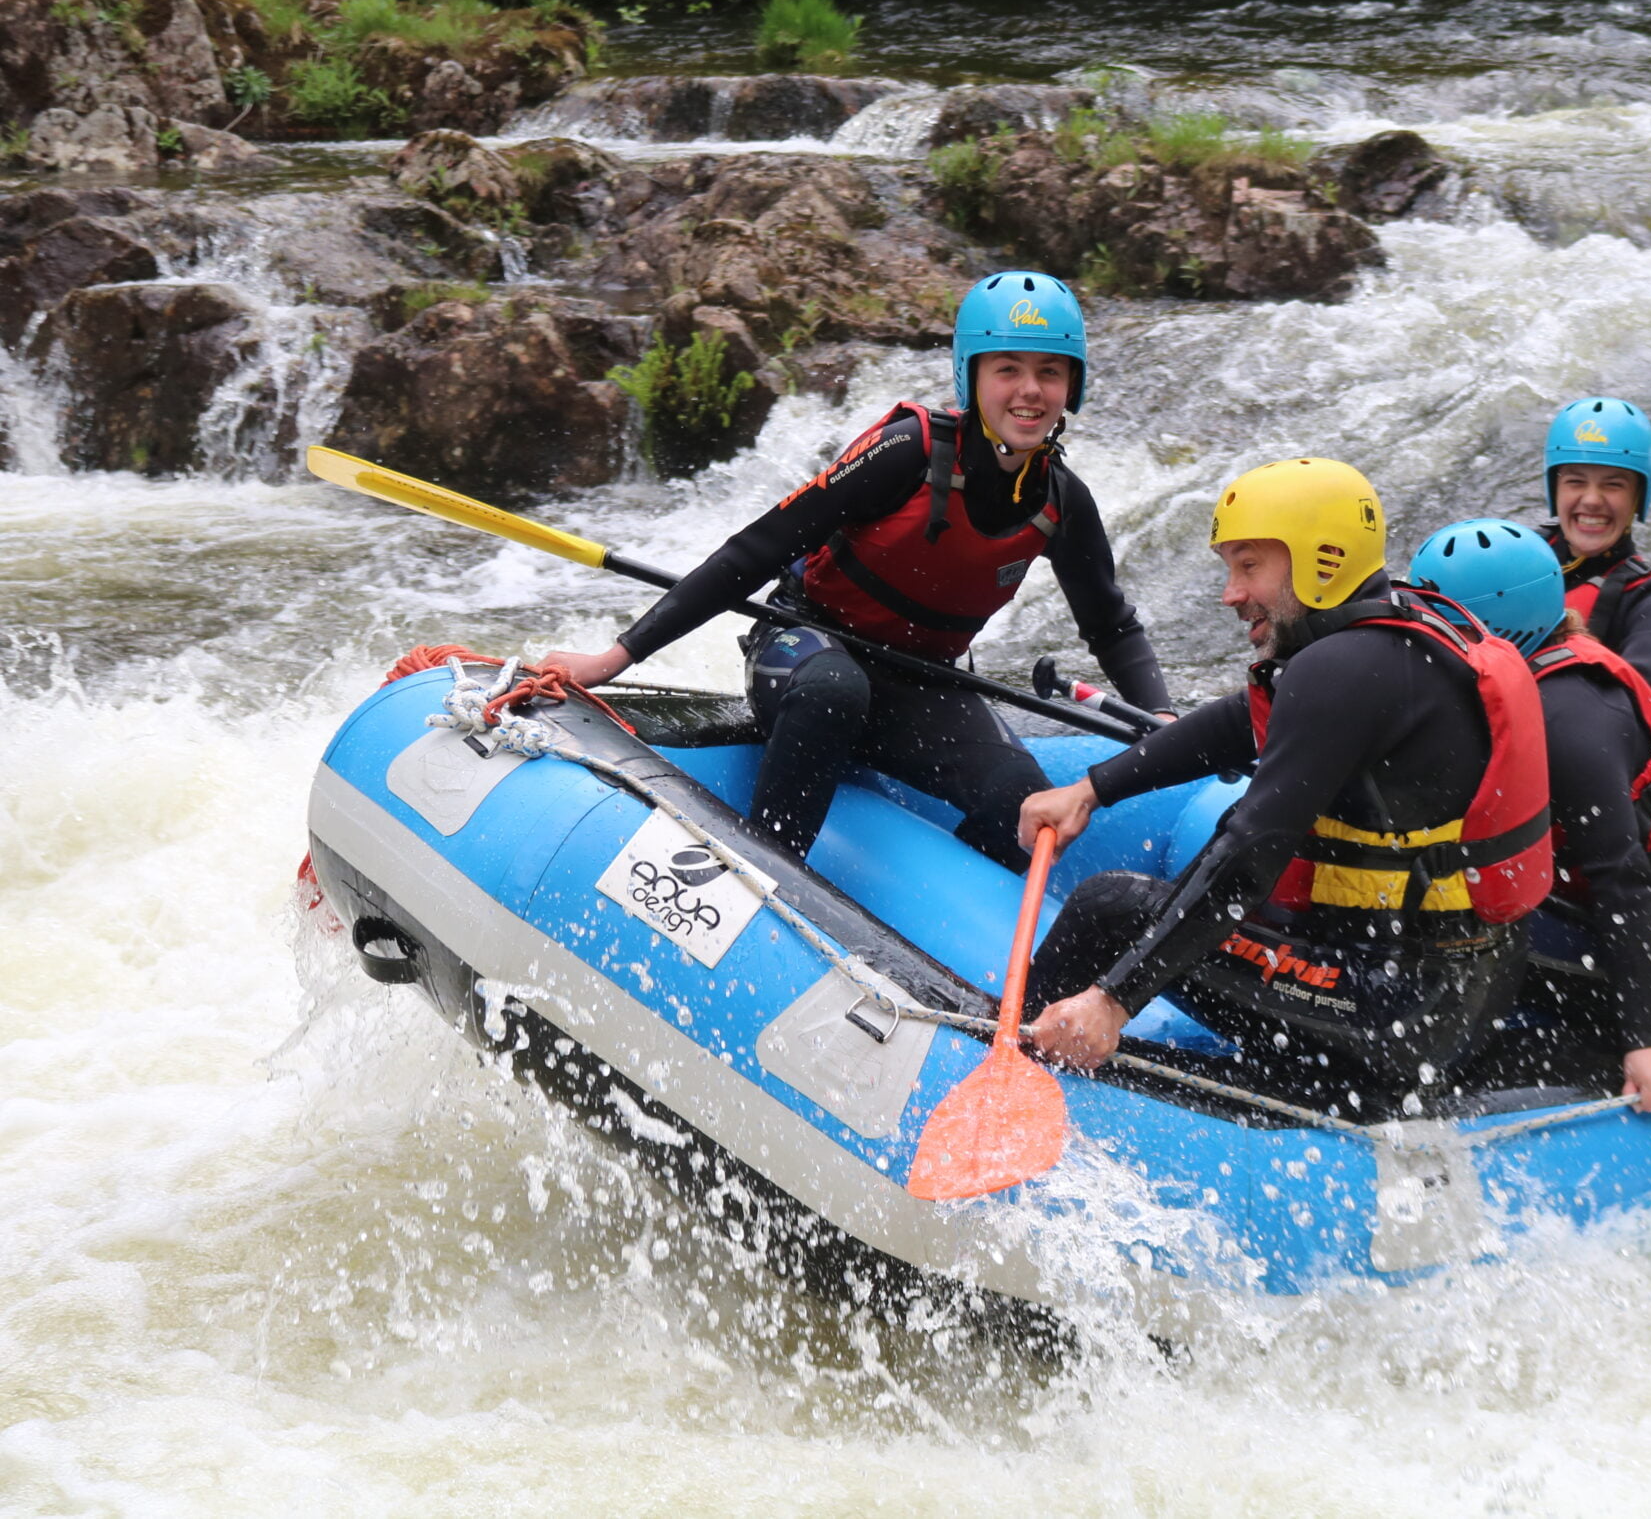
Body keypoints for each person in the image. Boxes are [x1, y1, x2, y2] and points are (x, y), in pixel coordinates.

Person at [535, 271, 1170, 866]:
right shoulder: (908, 452)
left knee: (1026, 805)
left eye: (1049, 372)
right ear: (972, 376)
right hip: (803, 649)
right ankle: (767, 872)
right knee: (837, 690)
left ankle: (933, 945)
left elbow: (1110, 625)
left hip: (918, 681)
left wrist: (1161, 719)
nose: (1030, 391)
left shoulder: (1063, 501)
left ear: (1072, 385)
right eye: (1008, 369)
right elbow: (755, 550)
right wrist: (615, 659)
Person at [1015, 458, 1553, 1105]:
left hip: (1396, 1005)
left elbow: (1247, 855)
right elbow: (1244, 718)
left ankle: (1002, 1048)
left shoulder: (1344, 668)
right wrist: (1095, 787)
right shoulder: (1395, 629)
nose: (1230, 593)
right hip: (1459, 984)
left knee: (1110, 908)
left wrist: (1112, 1000)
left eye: (1249, 566)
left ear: (1322, 561)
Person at [1409, 516, 1651, 1112]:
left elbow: (1621, 877)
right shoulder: (1513, 673)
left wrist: (1646, 1041)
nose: (1423, 640)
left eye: (1436, 624)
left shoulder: (1570, 713)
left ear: (1490, 628)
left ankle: (1428, 1065)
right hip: (1589, 906)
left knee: (1456, 923)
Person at [1538, 397, 1651, 687]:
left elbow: (1635, 699)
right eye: (1576, 482)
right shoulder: (1512, 555)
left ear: (1637, 497)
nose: (1592, 500)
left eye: (1613, 484)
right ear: (1555, 489)